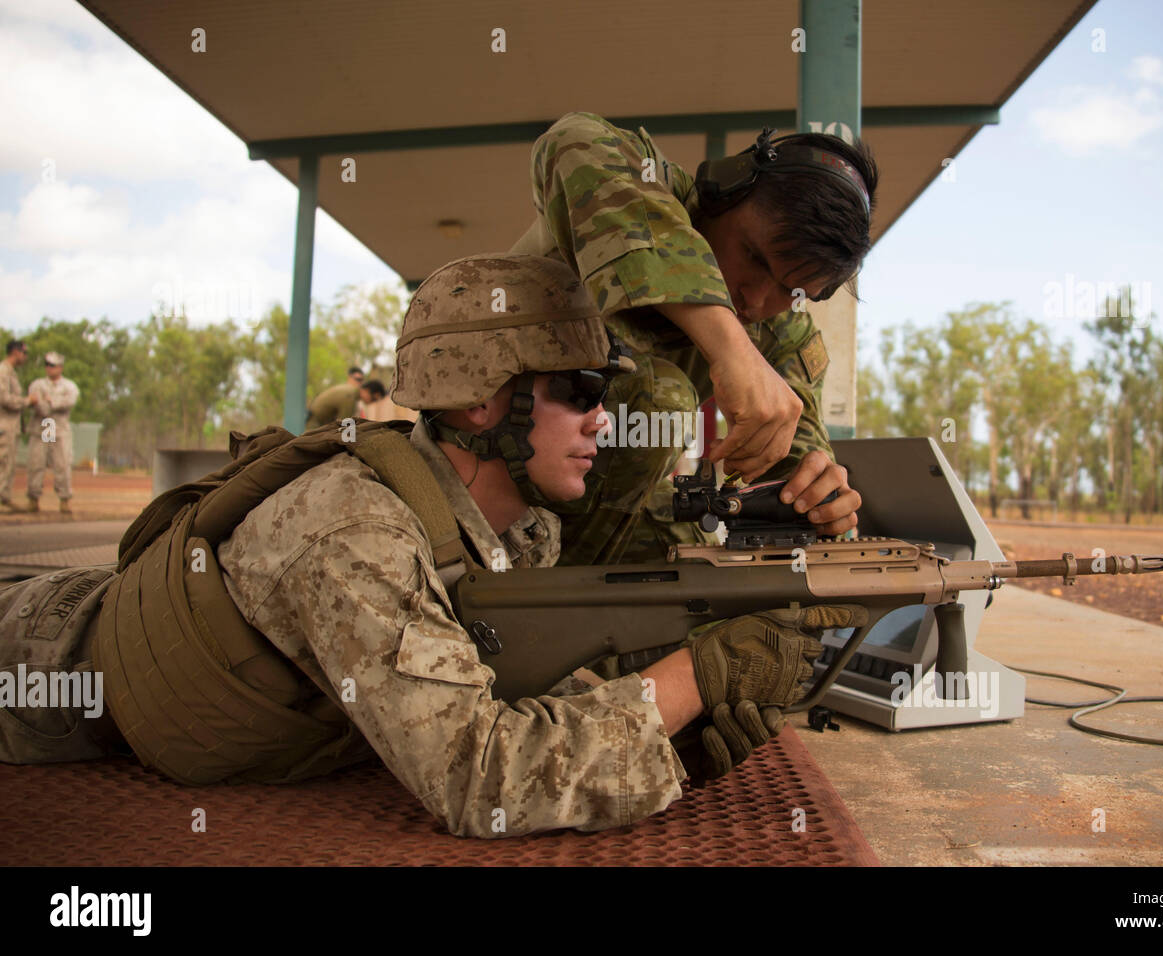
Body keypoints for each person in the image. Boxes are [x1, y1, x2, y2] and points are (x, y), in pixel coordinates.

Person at [0, 254, 844, 838]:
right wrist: (696, 678)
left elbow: (512, 690)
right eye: (578, 390)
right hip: (41, 665)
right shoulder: (355, 534)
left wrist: (677, 731)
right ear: (481, 403)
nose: (602, 417)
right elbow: (481, 781)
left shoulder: (517, 530)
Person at [511, 112, 877, 563]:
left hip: (587, 515)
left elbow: (794, 456)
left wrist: (819, 493)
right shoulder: (653, 192)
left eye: (790, 289)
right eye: (754, 258)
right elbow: (571, 139)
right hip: (494, 469)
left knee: (711, 569)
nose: (757, 301)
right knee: (661, 395)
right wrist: (730, 347)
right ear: (725, 194)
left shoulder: (782, 333)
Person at [25, 351, 79, 514]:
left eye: (52, 365)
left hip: (60, 429)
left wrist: (52, 401)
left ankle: (65, 499)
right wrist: (49, 403)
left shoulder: (69, 386)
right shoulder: (37, 384)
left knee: (62, 464)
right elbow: (37, 404)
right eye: (47, 365)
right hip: (41, 426)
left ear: (60, 367)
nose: (49, 368)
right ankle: (33, 499)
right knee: (36, 463)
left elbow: (70, 402)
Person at [0, 340, 35, 511]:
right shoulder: (3, 371)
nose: (25, 356)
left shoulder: (11, 372)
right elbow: (4, 399)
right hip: (3, 425)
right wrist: (28, 401)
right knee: (3, 462)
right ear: (15, 352)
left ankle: (4, 499)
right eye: (24, 352)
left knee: (8, 463)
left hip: (10, 426)